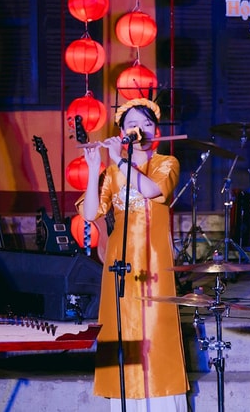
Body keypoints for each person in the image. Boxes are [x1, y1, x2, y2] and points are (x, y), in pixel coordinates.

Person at [77, 97, 188, 410]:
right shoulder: (112, 174)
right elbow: (88, 213)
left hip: (154, 262)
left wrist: (121, 160)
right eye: (132, 124)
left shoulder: (167, 163)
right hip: (119, 263)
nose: (141, 129)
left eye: (147, 123)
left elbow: (154, 191)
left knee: (156, 329)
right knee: (121, 328)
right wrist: (93, 168)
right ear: (122, 132)